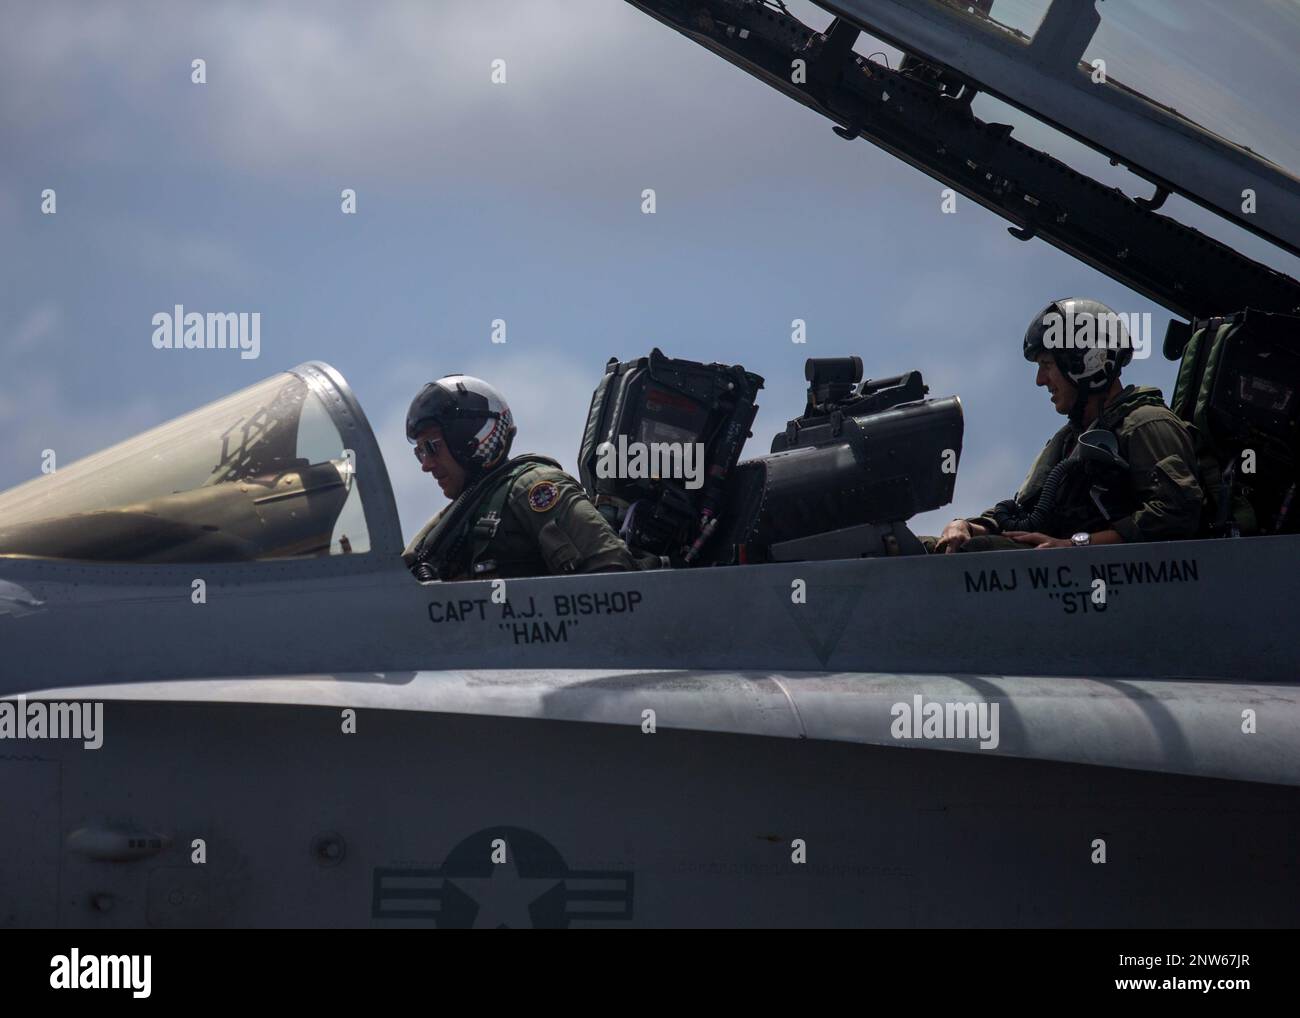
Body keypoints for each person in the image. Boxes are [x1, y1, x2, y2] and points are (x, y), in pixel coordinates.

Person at [934, 298, 1205, 553]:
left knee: (972, 554)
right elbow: (1028, 514)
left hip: (1111, 579)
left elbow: (1178, 512)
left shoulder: (1146, 424)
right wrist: (968, 526)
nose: (1040, 380)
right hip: (1065, 571)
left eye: (1047, 364)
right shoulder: (1071, 440)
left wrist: (1077, 546)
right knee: (910, 547)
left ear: (1088, 363)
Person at [402, 374, 642, 581]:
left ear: (468, 438)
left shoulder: (532, 486)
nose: (425, 465)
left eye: (431, 447)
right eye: (419, 451)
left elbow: (612, 578)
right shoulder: (446, 525)